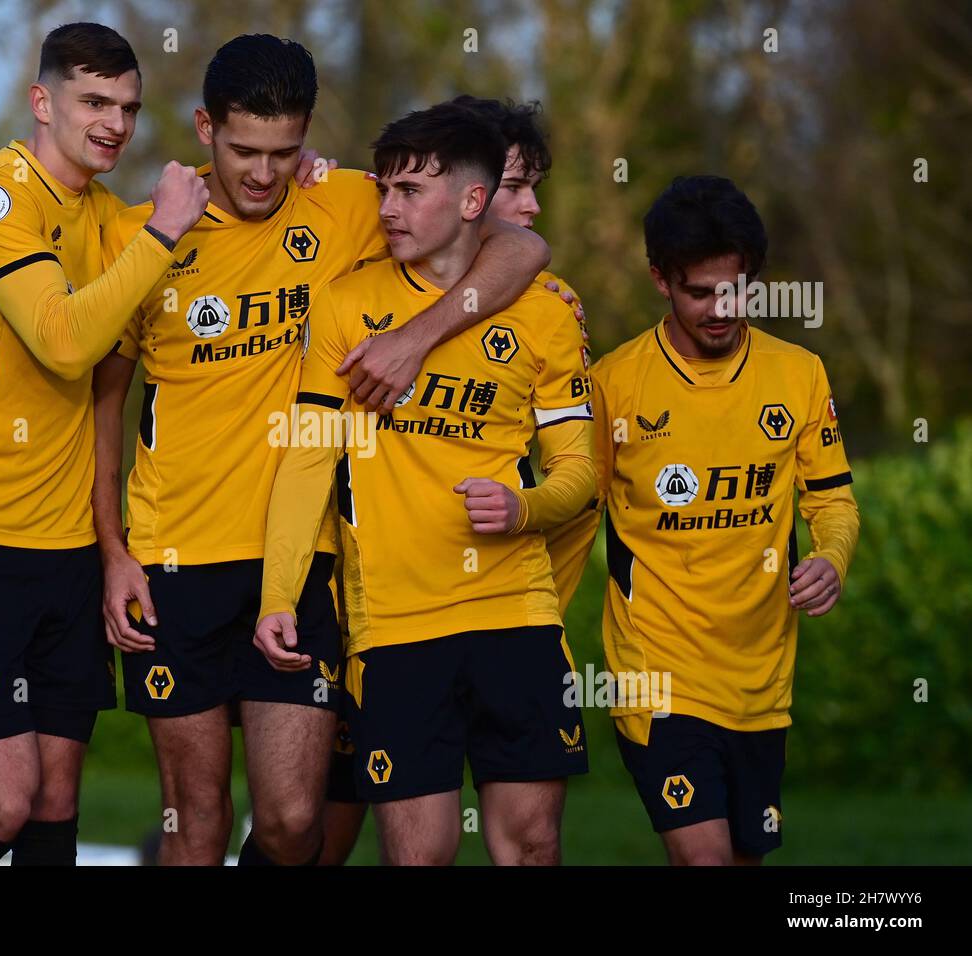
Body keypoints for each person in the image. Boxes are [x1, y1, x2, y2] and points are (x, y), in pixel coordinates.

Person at [93, 35, 551, 866]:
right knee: (191, 824)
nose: (264, 174)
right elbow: (104, 400)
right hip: (174, 557)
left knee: (294, 823)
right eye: (243, 152)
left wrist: (415, 338)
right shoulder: (147, 235)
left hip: (303, 559)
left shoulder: (350, 202)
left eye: (283, 151)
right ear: (204, 128)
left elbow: (520, 246)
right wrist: (112, 549)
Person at [0, 22, 208, 866]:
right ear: (41, 101)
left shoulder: (104, 216)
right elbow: (66, 339)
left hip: (61, 543)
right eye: (94, 101)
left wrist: (309, 177)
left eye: (128, 108)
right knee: (0, 804)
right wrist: (165, 233)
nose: (115, 123)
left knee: (57, 798)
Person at [256, 101, 595, 864]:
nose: (387, 210)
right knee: (419, 855)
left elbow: (579, 474)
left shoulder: (547, 315)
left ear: (473, 202)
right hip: (397, 624)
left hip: (516, 613)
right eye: (385, 190)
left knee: (533, 844)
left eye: (410, 193)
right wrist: (279, 594)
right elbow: (309, 457)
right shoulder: (345, 303)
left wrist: (523, 506)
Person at [591, 174, 859, 864]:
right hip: (655, 671)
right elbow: (573, 510)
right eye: (698, 292)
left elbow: (830, 500)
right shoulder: (615, 386)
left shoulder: (797, 375)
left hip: (761, 680)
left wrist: (831, 557)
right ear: (660, 279)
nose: (719, 309)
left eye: (735, 290)